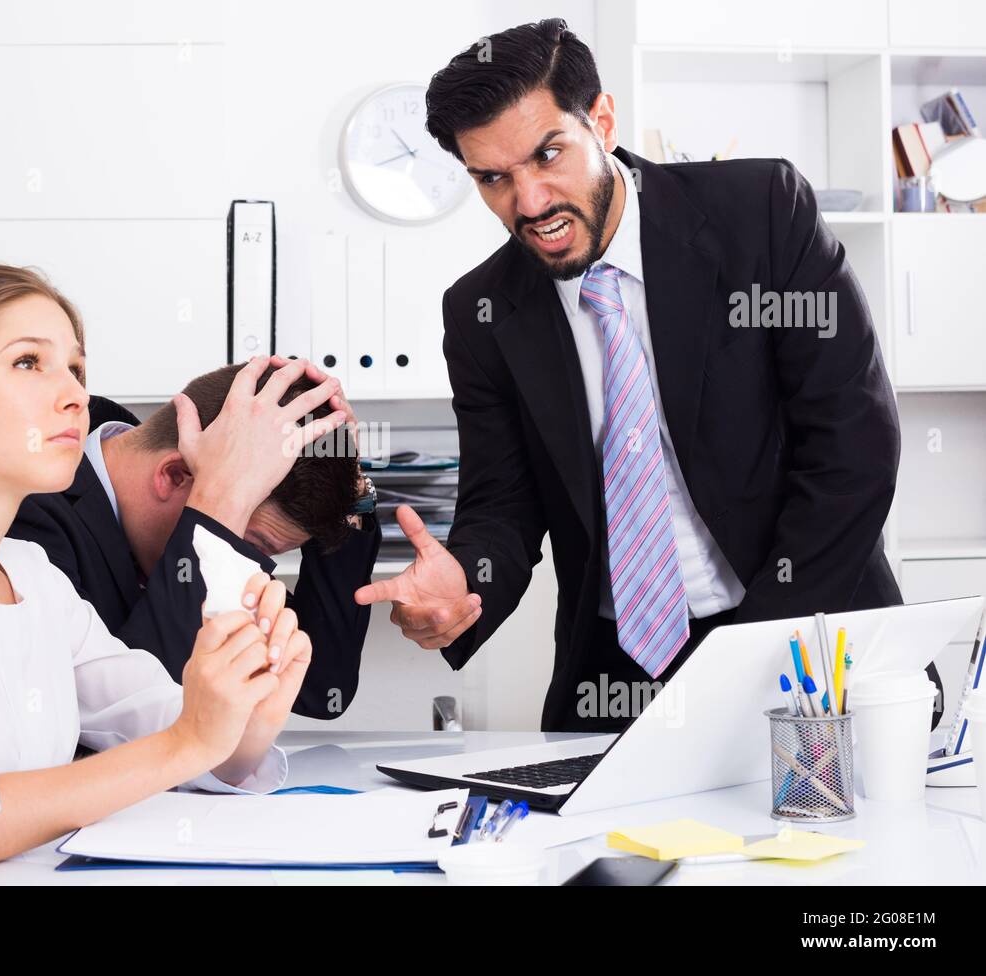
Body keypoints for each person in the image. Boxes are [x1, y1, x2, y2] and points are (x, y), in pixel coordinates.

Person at [356, 18, 936, 732]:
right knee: (614, 848)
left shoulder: (760, 214)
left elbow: (855, 448)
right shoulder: (481, 311)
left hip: (808, 631)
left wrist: (752, 659)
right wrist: (463, 587)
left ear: (600, 119)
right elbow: (503, 509)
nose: (530, 202)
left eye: (548, 155)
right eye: (494, 178)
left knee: (839, 837)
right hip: (619, 678)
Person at [0, 264, 323, 879]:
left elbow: (170, 726)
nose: (75, 394)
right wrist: (186, 742)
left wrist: (250, 711)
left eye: (76, 369)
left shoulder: (36, 578)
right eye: (29, 362)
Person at [9, 358, 380, 720]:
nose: (248, 569)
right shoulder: (27, 514)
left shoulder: (214, 531)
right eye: (254, 547)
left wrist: (351, 491)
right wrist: (216, 507)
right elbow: (144, 718)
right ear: (174, 475)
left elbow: (321, 688)